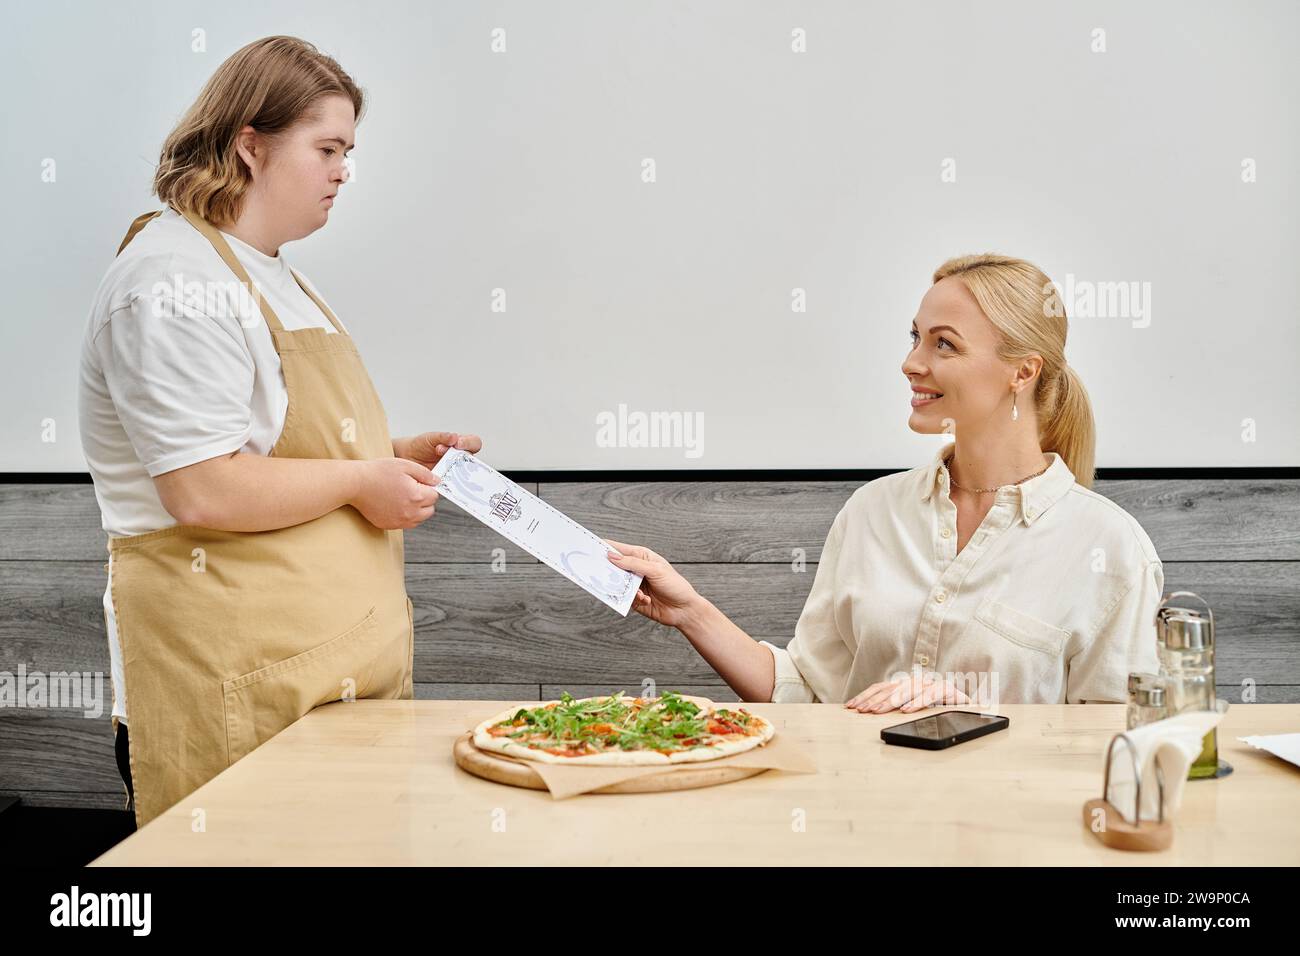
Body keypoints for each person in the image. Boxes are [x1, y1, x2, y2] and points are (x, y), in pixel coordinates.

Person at [77, 36, 480, 827]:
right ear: (249, 146)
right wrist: (364, 481)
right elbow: (202, 486)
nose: (343, 172)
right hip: (233, 696)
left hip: (328, 687)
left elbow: (277, 453)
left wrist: (393, 457)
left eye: (348, 151)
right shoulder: (174, 281)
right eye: (327, 148)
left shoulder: (275, 272)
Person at [606, 254, 1162, 711]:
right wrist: (690, 612)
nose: (910, 362)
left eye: (943, 344)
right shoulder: (873, 511)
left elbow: (1117, 750)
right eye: (915, 338)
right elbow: (808, 692)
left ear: (1023, 371)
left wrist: (977, 718)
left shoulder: (1109, 548)